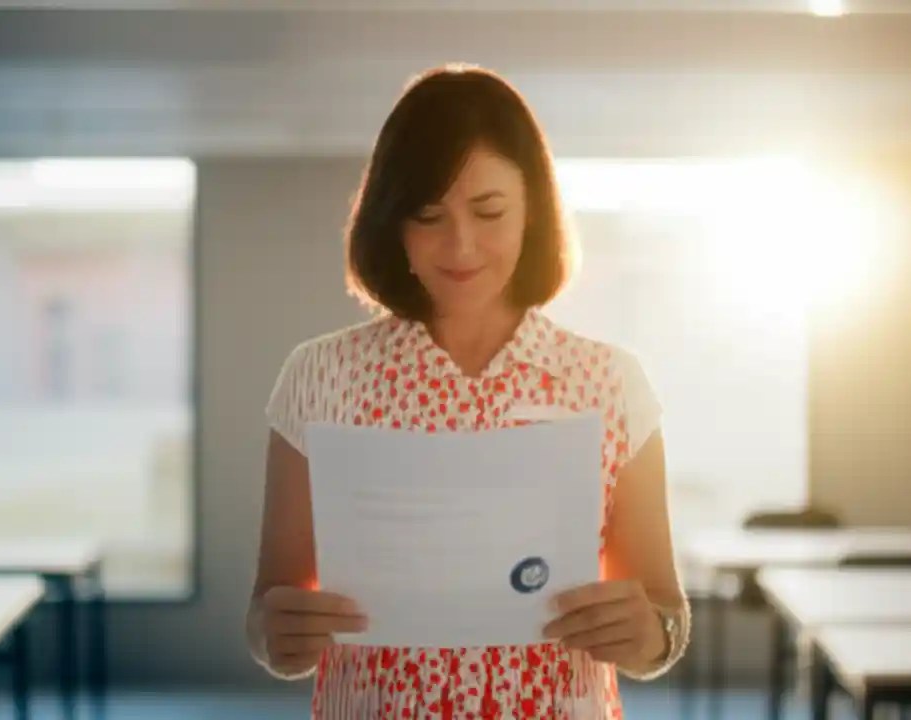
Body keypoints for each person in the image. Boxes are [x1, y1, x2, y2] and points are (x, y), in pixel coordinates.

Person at [245, 64, 690, 719]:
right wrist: (275, 639)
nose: (461, 245)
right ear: (392, 224)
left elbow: (665, 618)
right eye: (428, 216)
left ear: (531, 209)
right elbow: (267, 613)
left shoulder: (609, 383)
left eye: (488, 211)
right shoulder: (320, 377)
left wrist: (651, 636)